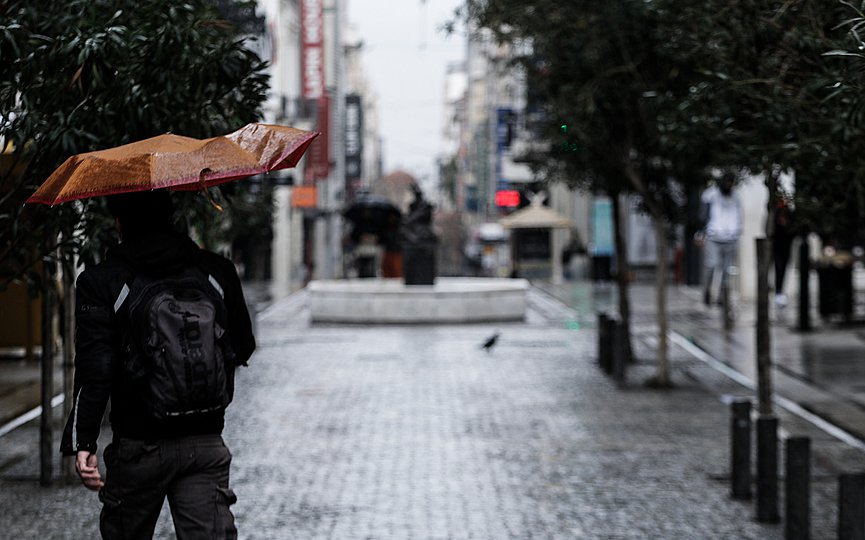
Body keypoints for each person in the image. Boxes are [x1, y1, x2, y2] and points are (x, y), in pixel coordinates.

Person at [60, 189, 256, 539]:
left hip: (139, 445)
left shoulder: (101, 281)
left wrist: (83, 441)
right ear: (172, 216)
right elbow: (243, 347)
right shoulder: (216, 271)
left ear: (119, 222)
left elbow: (96, 370)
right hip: (205, 441)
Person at [696, 172, 743, 306]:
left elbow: (739, 215)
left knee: (727, 269)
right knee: (712, 265)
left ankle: (722, 297)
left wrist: (738, 231)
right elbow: (703, 214)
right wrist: (700, 233)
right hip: (713, 236)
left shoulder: (736, 196)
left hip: (731, 237)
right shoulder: (710, 195)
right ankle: (707, 291)